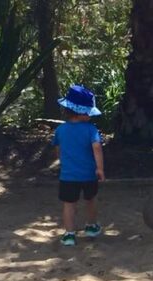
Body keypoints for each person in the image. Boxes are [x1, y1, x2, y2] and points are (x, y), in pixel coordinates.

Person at [51, 85, 104, 247]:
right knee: (91, 200)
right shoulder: (91, 130)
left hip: (68, 175)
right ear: (81, 112)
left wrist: (63, 162)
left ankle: (69, 234)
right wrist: (100, 168)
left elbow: (58, 150)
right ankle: (91, 226)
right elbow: (97, 148)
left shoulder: (60, 130)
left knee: (69, 204)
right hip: (88, 174)